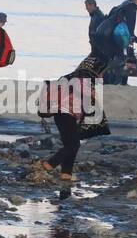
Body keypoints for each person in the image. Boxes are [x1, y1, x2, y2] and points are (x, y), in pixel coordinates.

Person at [39, 53, 110, 197]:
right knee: (73, 145)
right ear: (96, 70)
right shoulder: (84, 79)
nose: (102, 75)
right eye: (102, 72)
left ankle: (66, 174)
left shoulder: (71, 75)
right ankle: (49, 164)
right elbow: (86, 96)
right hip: (66, 113)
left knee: (70, 145)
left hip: (62, 113)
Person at [94, 0, 137, 85]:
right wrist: (134, 40)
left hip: (111, 37)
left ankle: (116, 81)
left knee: (118, 58)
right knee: (122, 59)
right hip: (120, 39)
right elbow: (130, 28)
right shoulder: (132, 8)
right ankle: (116, 80)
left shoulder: (122, 6)